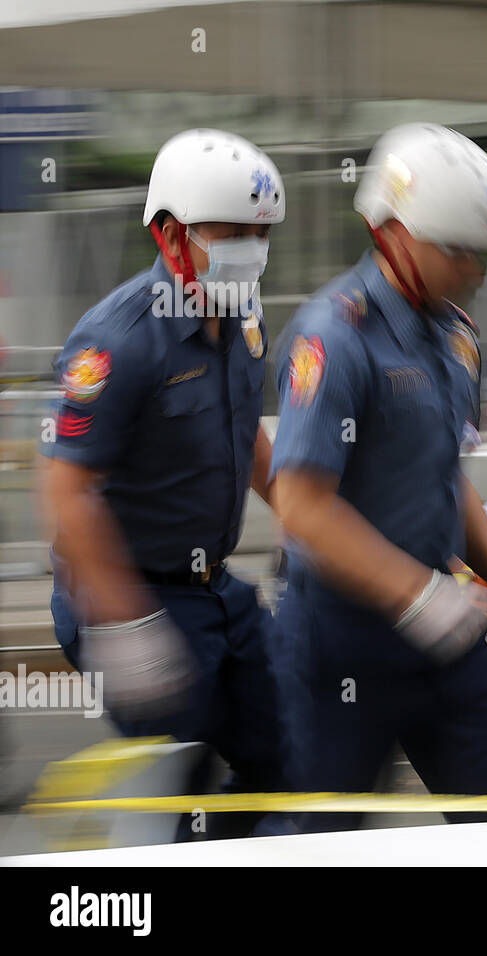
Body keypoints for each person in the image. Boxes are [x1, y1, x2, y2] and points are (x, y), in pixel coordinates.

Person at [268, 123, 487, 832]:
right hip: (340, 638)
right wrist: (416, 593)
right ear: (395, 233)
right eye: (459, 250)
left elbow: (441, 471)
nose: (476, 271)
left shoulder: (456, 335)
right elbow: (302, 507)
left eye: (483, 253)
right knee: (319, 842)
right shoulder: (333, 336)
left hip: (443, 634)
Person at [41, 129, 287, 838]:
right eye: (234, 232)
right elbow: (66, 488)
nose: (253, 249)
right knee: (178, 779)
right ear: (174, 235)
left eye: (261, 233)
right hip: (129, 594)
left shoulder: (242, 316)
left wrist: (304, 517)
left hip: (214, 588)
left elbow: (250, 434)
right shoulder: (117, 340)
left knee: (291, 750)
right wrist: (126, 622)